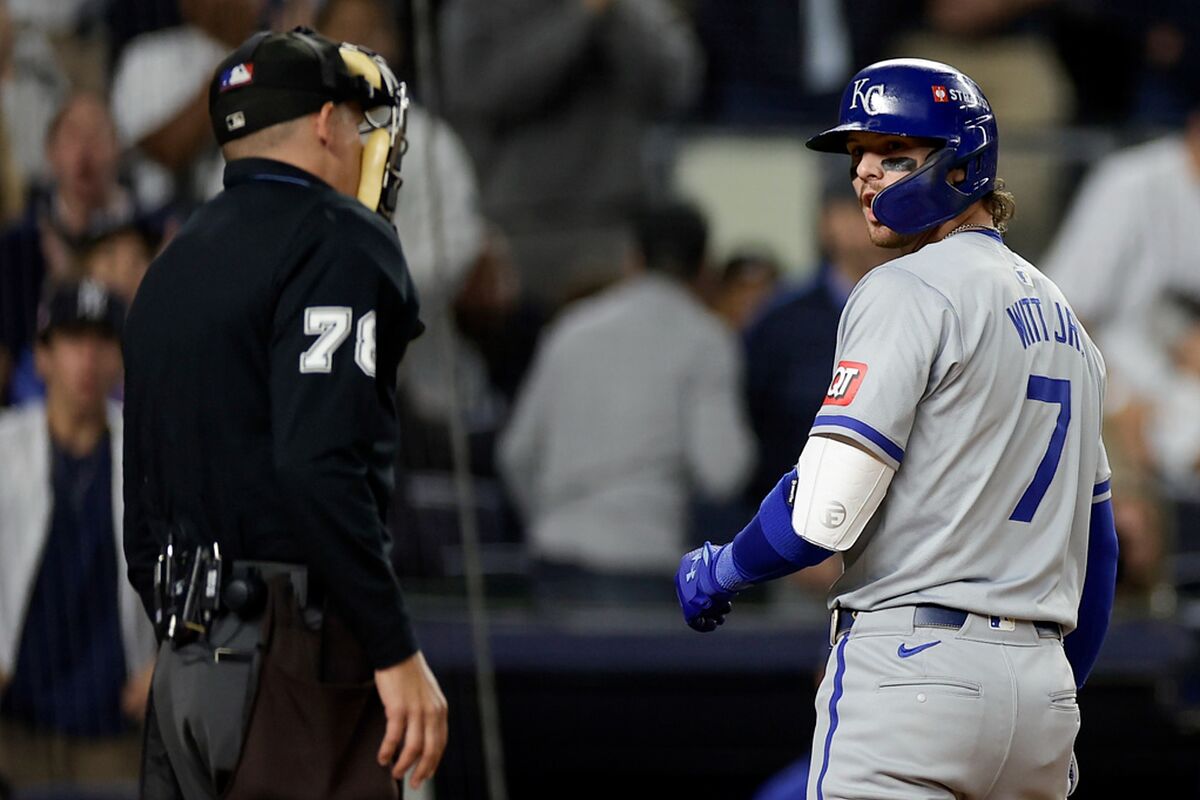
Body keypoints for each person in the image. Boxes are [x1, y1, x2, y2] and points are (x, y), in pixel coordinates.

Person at [675, 58, 1118, 799]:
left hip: (913, 671)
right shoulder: (1066, 321)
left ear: (961, 166)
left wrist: (723, 569)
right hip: (1041, 699)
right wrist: (1042, 691)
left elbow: (824, 512)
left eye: (894, 154)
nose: (866, 177)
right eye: (859, 158)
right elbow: (1097, 552)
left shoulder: (906, 287)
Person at [121, 28, 446, 798]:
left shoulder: (173, 262)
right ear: (326, 122)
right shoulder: (338, 241)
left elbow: (139, 506)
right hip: (290, 662)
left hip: (182, 664)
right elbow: (318, 465)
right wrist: (393, 649)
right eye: (356, 123)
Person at [500, 201, 754, 601]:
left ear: (632, 258)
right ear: (703, 267)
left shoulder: (571, 328)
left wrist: (547, 518)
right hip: (644, 563)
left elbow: (515, 454)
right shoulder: (706, 340)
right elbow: (724, 470)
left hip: (554, 558)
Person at [0, 280, 156, 792]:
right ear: (41, 357)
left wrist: (170, 662)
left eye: (102, 341)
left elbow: (200, 566)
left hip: (114, 736)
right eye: (71, 340)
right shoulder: (5, 449)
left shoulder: (151, 455)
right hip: (13, 734)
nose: (86, 359)